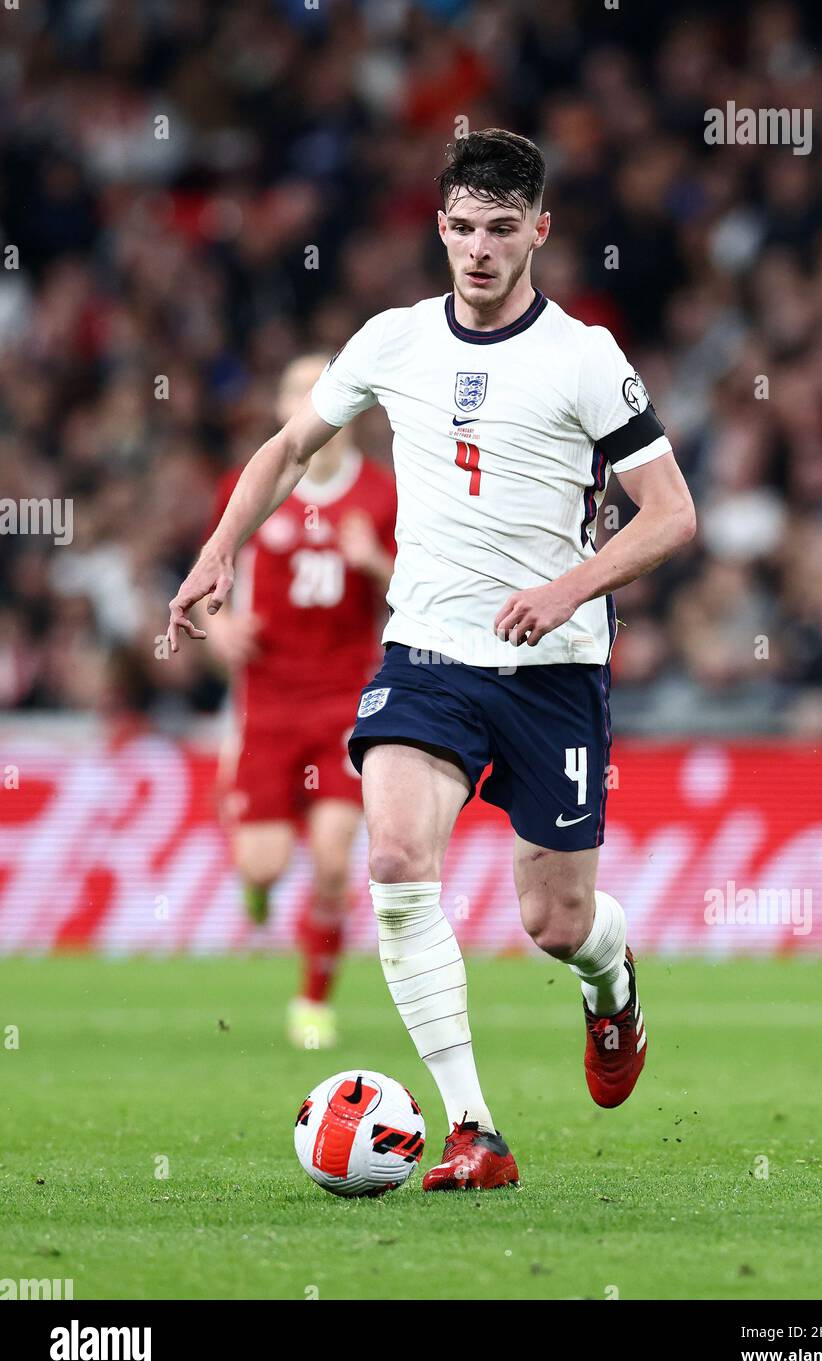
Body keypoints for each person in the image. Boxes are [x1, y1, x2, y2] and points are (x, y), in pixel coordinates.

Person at [167, 130, 696, 1189]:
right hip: (424, 655)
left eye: (503, 229)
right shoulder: (394, 341)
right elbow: (285, 450)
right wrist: (217, 551)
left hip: (552, 669)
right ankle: (473, 1131)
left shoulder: (584, 358)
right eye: (462, 227)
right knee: (399, 862)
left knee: (552, 922)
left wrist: (567, 588)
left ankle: (611, 984)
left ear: (538, 231)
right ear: (439, 229)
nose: (480, 249)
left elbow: (671, 516)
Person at [206, 353, 396, 1048]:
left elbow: (424, 592)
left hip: (346, 701)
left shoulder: (382, 496)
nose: (308, 403)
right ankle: (255, 884)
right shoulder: (249, 485)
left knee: (330, 857)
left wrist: (373, 559)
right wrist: (218, 628)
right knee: (263, 863)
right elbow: (205, 582)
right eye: (295, 391)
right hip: (267, 702)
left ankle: (312, 1002)